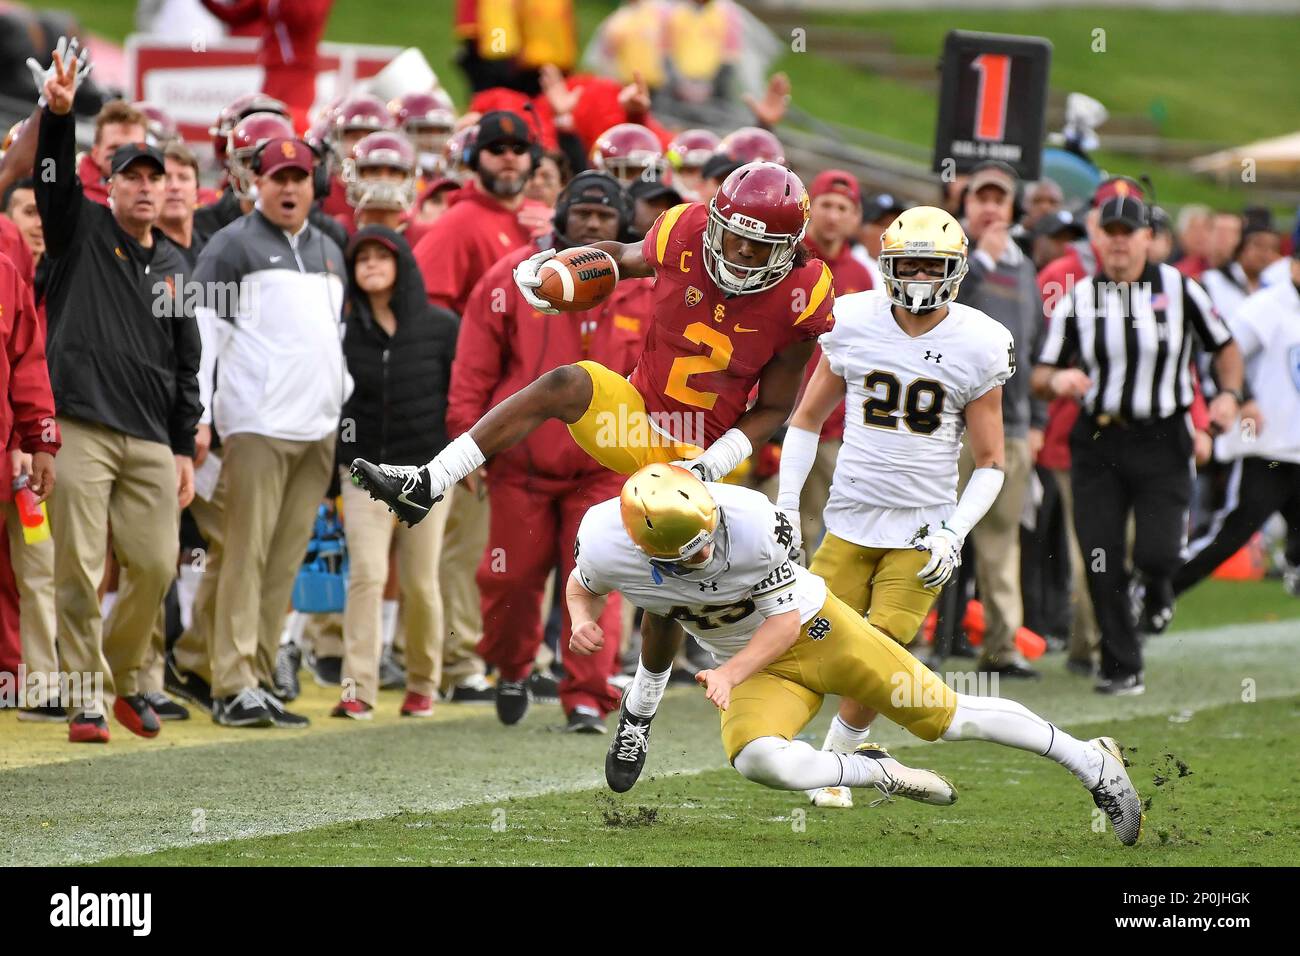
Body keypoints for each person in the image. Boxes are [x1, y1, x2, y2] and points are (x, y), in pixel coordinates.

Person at [351, 160, 836, 751]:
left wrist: (711, 462)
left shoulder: (803, 294)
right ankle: (429, 481)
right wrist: (552, 266)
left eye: (757, 246)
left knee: (670, 593)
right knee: (567, 382)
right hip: (634, 417)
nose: (738, 253)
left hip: (704, 450)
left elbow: (775, 406)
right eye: (731, 235)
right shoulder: (683, 230)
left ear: (789, 247)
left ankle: (640, 710)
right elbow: (620, 257)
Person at [566, 464, 1144, 847]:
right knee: (759, 761)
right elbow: (581, 584)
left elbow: (784, 622)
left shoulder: (750, 522)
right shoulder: (607, 542)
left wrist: (730, 672)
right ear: (644, 547)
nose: (707, 554)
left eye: (706, 536)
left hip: (818, 634)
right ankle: (876, 770)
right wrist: (582, 619)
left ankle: (1089, 760)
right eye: (689, 554)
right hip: (756, 670)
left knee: (950, 718)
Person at [779, 204, 1016, 807]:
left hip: (922, 531)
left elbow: (991, 461)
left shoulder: (979, 341)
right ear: (888, 265)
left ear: (955, 269)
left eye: (930, 265)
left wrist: (954, 532)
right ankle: (784, 745)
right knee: (808, 641)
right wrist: (786, 506)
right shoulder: (853, 319)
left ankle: (837, 764)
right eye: (907, 264)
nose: (917, 276)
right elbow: (806, 419)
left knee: (881, 647)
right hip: (849, 518)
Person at [36, 48, 201, 743]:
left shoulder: (175, 265)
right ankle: (87, 700)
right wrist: (58, 117)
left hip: (150, 438)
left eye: (154, 178)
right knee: (78, 567)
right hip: (80, 425)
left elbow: (186, 363)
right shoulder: (79, 231)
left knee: (158, 565)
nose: (144, 187)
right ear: (108, 186)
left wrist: (183, 445)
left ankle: (125, 677)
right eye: (131, 176)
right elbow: (50, 183)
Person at [449, 171, 650, 732]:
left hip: (605, 469)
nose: (591, 224)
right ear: (561, 216)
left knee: (598, 576)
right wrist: (467, 437)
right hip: (522, 465)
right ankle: (513, 667)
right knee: (509, 580)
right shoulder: (514, 277)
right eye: (582, 213)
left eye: (603, 216)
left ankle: (585, 694)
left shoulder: (643, 288)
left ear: (620, 225)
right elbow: (474, 363)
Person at [1032, 193, 1245, 695]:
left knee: (1157, 551)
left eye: (1128, 233)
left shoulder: (1181, 289)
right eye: (1110, 233)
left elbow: (1225, 347)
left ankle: (1157, 588)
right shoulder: (1079, 298)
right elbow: (1041, 372)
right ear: (1098, 239)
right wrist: (1057, 381)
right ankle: (1121, 665)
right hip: (1098, 439)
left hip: (1163, 437)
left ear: (1148, 238)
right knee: (1100, 554)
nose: (1119, 242)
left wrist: (1230, 394)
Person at [184, 137, 348, 728]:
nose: (288, 187)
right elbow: (202, 340)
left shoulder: (330, 249)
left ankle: (252, 675)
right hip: (256, 424)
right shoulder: (230, 247)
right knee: (244, 555)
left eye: (298, 177)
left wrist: (339, 394)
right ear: (256, 182)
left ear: (313, 185)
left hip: (316, 428)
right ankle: (231, 684)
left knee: (282, 562)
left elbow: (333, 337)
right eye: (277, 177)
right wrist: (200, 417)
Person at [412, 110, 553, 705]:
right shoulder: (460, 223)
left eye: (519, 149)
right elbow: (428, 321)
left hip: (529, 423)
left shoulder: (532, 226)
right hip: (478, 421)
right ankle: (460, 662)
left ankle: (517, 660)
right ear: (474, 157)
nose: (509, 158)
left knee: (527, 549)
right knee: (471, 548)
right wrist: (461, 421)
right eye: (496, 148)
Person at [334, 226, 458, 719]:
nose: (370, 264)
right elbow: (335, 403)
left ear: (402, 264)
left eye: (380, 256)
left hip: (427, 476)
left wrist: (461, 459)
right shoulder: (342, 330)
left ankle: (423, 684)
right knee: (366, 575)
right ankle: (357, 689)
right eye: (361, 257)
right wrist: (337, 465)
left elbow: (460, 396)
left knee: (420, 581)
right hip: (361, 473)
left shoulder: (441, 327)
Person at [1165, 251, 1300, 612]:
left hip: (1296, 445)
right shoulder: (1268, 306)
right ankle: (1156, 593)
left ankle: (1294, 565)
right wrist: (1246, 397)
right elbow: (1222, 353)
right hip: (1266, 448)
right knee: (1229, 538)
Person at [956, 161, 1047, 678]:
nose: (990, 208)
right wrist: (981, 264)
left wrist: (1036, 419)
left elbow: (1033, 350)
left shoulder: (1025, 269)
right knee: (929, 532)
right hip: (950, 426)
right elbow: (944, 313)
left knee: (999, 538)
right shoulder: (952, 255)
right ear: (966, 204)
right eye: (981, 198)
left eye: (999, 199)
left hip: (1009, 426)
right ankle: (911, 641)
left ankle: (1002, 646)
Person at [793, 169, 874, 548]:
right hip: (772, 413)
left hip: (830, 425)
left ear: (856, 217)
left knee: (810, 531)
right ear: (811, 208)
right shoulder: (788, 258)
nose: (833, 215)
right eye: (826, 204)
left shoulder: (862, 275)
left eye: (843, 208)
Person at [0, 248, 59, 719]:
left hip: (13, 464)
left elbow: (28, 364)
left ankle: (42, 684)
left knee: (38, 567)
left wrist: (39, 439)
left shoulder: (5, 272)